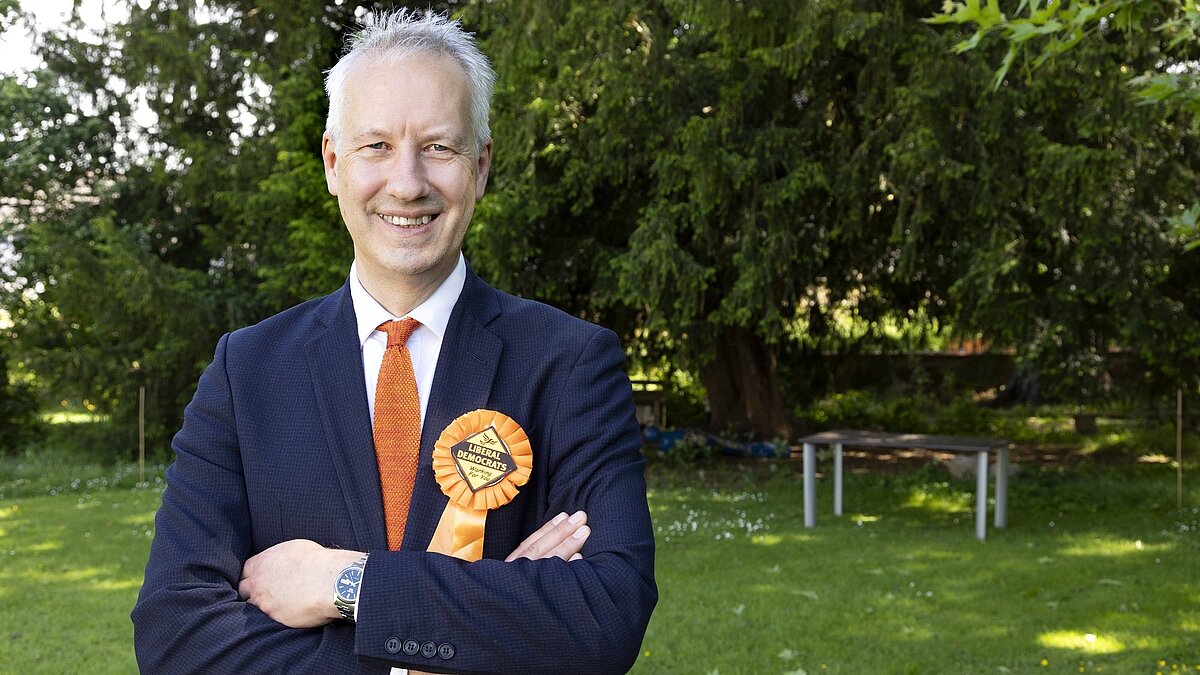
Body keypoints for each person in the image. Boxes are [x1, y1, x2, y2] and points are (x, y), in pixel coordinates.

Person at [131, 9, 657, 674]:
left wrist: (346, 583)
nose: (406, 183)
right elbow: (175, 636)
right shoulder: (248, 371)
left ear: (481, 165)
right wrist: (451, 639)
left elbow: (604, 617)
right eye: (376, 145)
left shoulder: (570, 364)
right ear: (332, 162)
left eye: (439, 146)